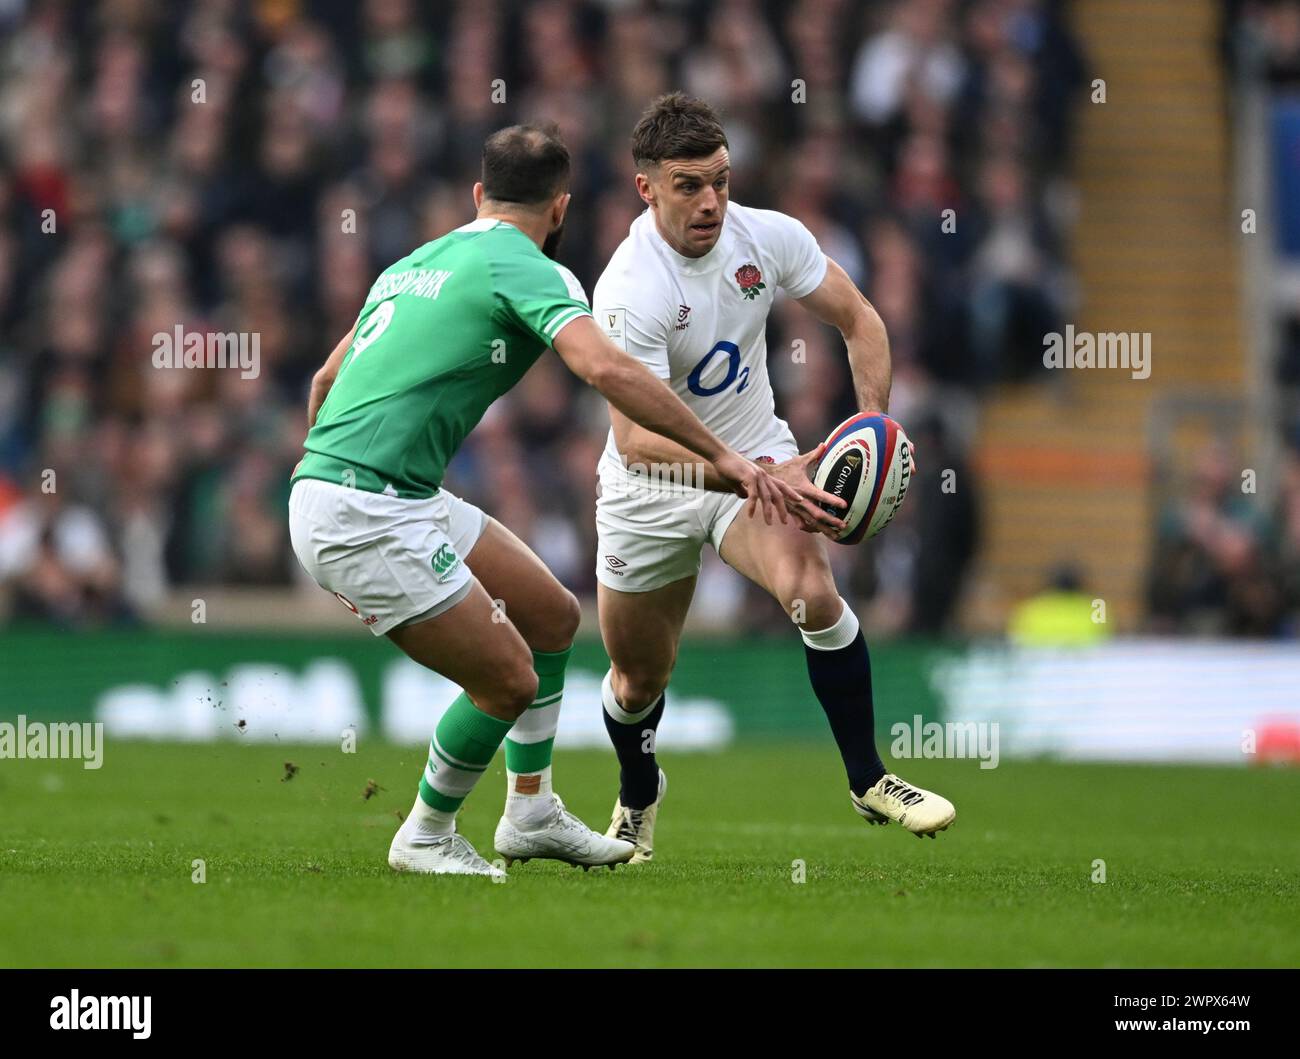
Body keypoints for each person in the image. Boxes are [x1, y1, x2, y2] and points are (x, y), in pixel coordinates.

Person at [289, 124, 825, 877]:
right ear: (561, 208)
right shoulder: (533, 268)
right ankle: (425, 832)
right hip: (367, 507)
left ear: (479, 196)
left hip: (372, 489)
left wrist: (330, 478)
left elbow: (322, 382)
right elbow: (605, 369)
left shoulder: (414, 261)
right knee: (507, 678)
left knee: (551, 616)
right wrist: (727, 456)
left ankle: (530, 808)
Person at [592, 94, 956, 861]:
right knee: (635, 680)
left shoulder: (768, 237)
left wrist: (873, 429)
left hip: (757, 454)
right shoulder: (631, 288)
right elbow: (634, 441)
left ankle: (869, 779)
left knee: (815, 595)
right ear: (646, 188)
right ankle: (637, 792)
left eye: (721, 180)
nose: (712, 201)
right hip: (652, 485)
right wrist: (745, 475)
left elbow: (860, 319)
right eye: (689, 184)